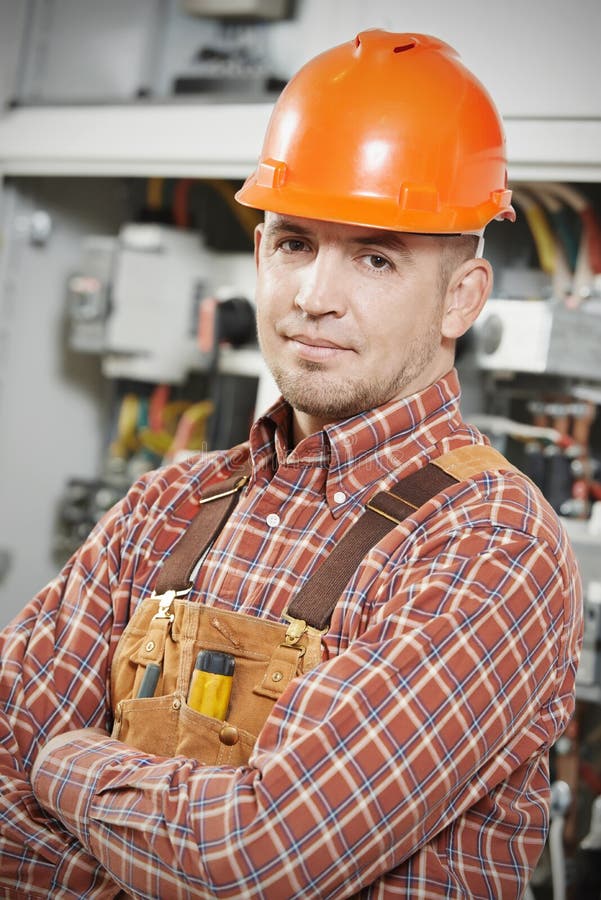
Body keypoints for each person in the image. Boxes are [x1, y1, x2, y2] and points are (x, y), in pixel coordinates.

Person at [0, 29, 582, 900]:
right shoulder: (169, 503)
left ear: (460, 297)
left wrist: (63, 762)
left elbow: (261, 859)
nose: (314, 296)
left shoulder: (490, 548)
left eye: (375, 256)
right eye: (294, 243)